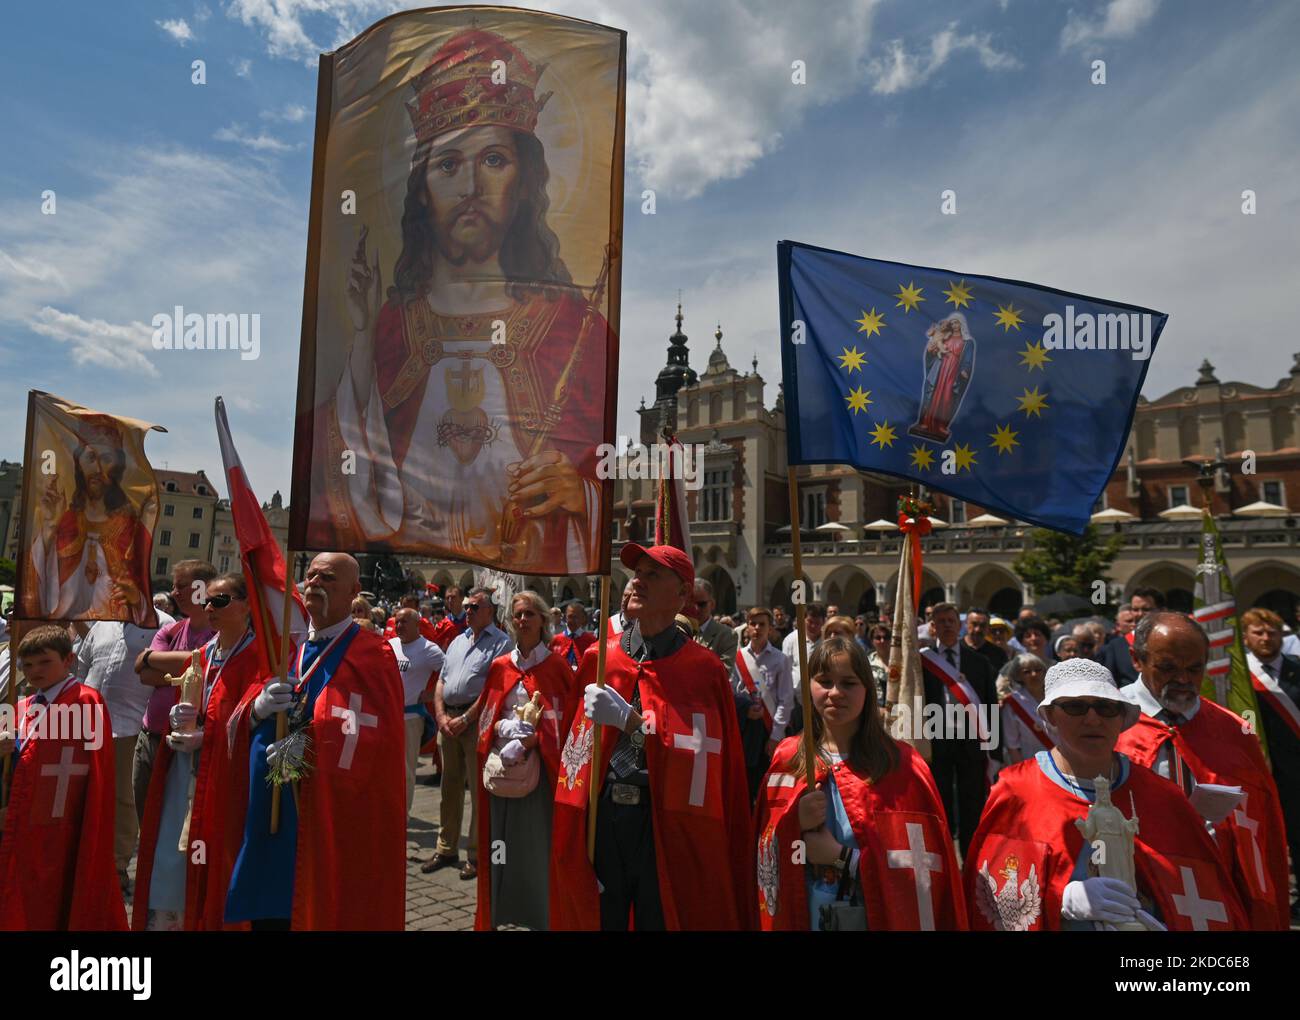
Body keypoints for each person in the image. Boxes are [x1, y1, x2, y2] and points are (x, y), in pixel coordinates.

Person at [304, 28, 610, 575]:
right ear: (421, 188)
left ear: (524, 180)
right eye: (447, 165)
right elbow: (332, 472)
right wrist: (359, 343)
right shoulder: (388, 327)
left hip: (521, 578)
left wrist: (580, 493)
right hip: (405, 577)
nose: (469, 185)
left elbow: (603, 474)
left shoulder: (576, 331)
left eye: (493, 160)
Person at [550, 543, 755, 930]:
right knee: (603, 919)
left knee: (656, 918)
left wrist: (634, 726)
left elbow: (703, 759)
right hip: (605, 815)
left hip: (664, 821)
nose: (638, 582)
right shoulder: (600, 658)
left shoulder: (703, 670)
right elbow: (574, 751)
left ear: (682, 595)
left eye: (653, 574)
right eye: (637, 573)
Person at [967, 658, 1247, 931]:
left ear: (1121, 717)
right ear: (1050, 715)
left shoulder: (1162, 796)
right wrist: (1060, 898)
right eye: (1075, 707)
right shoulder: (1016, 790)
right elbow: (991, 893)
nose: (1092, 718)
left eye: (1105, 708)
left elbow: (1202, 893)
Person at [225, 552, 406, 929]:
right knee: (270, 914)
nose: (315, 584)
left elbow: (372, 740)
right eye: (311, 576)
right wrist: (256, 710)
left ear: (354, 591)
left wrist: (305, 751)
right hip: (272, 813)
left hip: (328, 814)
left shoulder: (374, 655)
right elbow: (242, 716)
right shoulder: (284, 649)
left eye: (328, 578)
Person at [755, 637, 966, 930]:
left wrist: (843, 858)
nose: (835, 692)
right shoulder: (788, 758)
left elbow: (922, 876)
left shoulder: (902, 765)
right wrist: (793, 824)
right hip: (803, 914)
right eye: (824, 681)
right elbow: (763, 857)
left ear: (867, 689)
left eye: (849, 683)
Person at [1115, 612, 1290, 930]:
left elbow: (1265, 824)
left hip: (1220, 889)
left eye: (1194, 669)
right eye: (1167, 668)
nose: (1183, 679)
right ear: (1137, 659)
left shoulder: (1234, 731)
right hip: (1138, 895)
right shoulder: (1106, 721)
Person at [131, 572, 263, 930]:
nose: (209, 607)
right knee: (171, 854)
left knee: (207, 857)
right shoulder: (204, 653)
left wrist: (210, 736)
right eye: (208, 600)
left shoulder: (257, 657)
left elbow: (254, 720)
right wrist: (181, 717)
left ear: (247, 606)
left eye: (220, 601)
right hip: (184, 771)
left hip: (222, 778)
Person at [0, 625, 126, 930]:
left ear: (68, 660)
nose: (34, 671)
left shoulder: (85, 701)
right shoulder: (22, 706)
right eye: (27, 665)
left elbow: (94, 767)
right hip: (24, 818)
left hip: (65, 819)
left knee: (62, 893)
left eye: (45, 662)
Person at [473, 591, 576, 930]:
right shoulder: (501, 666)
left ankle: (538, 913)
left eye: (530, 614)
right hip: (503, 771)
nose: (522, 620)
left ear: (543, 620)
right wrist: (504, 726)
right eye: (517, 614)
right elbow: (489, 715)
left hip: (540, 776)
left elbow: (570, 725)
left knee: (534, 846)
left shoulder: (557, 667)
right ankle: (502, 909)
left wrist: (536, 740)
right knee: (499, 844)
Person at [75, 612, 173, 897]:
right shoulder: (103, 624)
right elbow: (83, 668)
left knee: (122, 800)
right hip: (88, 725)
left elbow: (160, 678)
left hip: (128, 724)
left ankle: (116, 868)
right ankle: (86, 859)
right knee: (85, 794)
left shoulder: (163, 624)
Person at [423, 586, 513, 880]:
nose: (468, 611)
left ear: (490, 611)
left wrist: (466, 718)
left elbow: (493, 689)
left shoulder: (501, 643)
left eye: (474, 607)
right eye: (467, 606)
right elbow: (442, 681)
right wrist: (440, 715)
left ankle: (476, 854)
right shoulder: (458, 641)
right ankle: (446, 847)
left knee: (477, 790)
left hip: (475, 723)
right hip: (447, 719)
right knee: (448, 788)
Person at [26, 419, 153, 623]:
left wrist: (136, 599)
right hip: (63, 626)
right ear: (79, 464)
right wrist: (50, 526)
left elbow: (140, 590)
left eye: (106, 458)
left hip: (111, 629)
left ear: (118, 467)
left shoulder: (131, 525)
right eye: (91, 458)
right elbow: (37, 581)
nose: (98, 468)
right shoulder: (66, 519)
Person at [132, 560, 217, 829]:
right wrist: (188, 668)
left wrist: (153, 658)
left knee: (176, 825)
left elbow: (208, 667)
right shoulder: (173, 629)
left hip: (187, 743)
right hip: (150, 736)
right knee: (145, 815)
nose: (174, 593)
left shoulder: (218, 632)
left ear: (203, 589)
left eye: (181, 586)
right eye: (173, 586)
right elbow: (143, 671)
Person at [920, 602, 999, 857]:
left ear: (959, 624)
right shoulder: (922, 661)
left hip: (971, 742)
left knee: (971, 804)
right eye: (940, 621)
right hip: (937, 741)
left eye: (950, 621)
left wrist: (993, 748)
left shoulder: (979, 662)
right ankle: (944, 860)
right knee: (940, 805)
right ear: (933, 626)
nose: (946, 625)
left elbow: (990, 703)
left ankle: (971, 859)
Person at [1241, 607, 1300, 921]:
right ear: (1247, 637)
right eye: (1258, 632)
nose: (1266, 638)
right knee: (1262, 842)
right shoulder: (1238, 678)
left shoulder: (1297, 669)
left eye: (1272, 632)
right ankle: (1269, 902)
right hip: (1257, 771)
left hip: (1296, 773)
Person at [732, 607, 794, 802]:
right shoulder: (738, 658)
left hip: (769, 729)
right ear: (747, 627)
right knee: (744, 783)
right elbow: (731, 693)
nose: (757, 628)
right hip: (745, 727)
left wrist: (776, 735)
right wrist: (744, 710)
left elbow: (786, 699)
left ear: (770, 628)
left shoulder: (780, 659)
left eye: (762, 624)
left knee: (767, 785)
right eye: (753, 624)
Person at [389, 607, 445, 816]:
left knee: (405, 771)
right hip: (388, 717)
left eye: (404, 622)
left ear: (417, 625)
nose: (399, 626)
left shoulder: (429, 649)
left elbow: (450, 674)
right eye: (397, 622)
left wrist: (432, 694)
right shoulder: (391, 645)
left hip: (410, 719)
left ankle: (402, 817)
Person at [1100, 588, 1164, 685]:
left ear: (1161, 611)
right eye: (1135, 609)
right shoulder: (1116, 646)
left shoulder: (1172, 643)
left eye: (1146, 609)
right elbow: (1109, 684)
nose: (1140, 614)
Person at [998, 653, 1050, 764]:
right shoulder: (1012, 703)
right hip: (1031, 763)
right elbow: (1012, 745)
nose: (1034, 674)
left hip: (1062, 763)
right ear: (1018, 676)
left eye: (1038, 670)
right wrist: (1021, 771)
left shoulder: (1056, 697)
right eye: (1027, 672)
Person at [693, 579, 738, 664]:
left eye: (701, 604)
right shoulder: (679, 630)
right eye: (692, 603)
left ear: (712, 604)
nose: (696, 609)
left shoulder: (727, 635)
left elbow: (723, 673)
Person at [549, 598, 596, 671]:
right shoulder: (556, 640)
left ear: (583, 618)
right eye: (570, 617)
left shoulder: (591, 641)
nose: (573, 621)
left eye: (576, 617)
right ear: (565, 618)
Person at [963, 607, 1007, 673]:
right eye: (974, 624)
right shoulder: (955, 649)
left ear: (988, 627)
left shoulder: (999, 654)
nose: (978, 629)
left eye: (982, 625)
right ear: (966, 624)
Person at [430, 586, 467, 650]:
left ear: (462, 598)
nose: (450, 600)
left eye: (453, 597)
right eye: (447, 598)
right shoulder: (442, 624)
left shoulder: (471, 620)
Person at [867, 623, 891, 705]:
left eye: (886, 637)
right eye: (878, 638)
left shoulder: (901, 661)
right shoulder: (867, 663)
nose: (882, 641)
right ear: (872, 641)